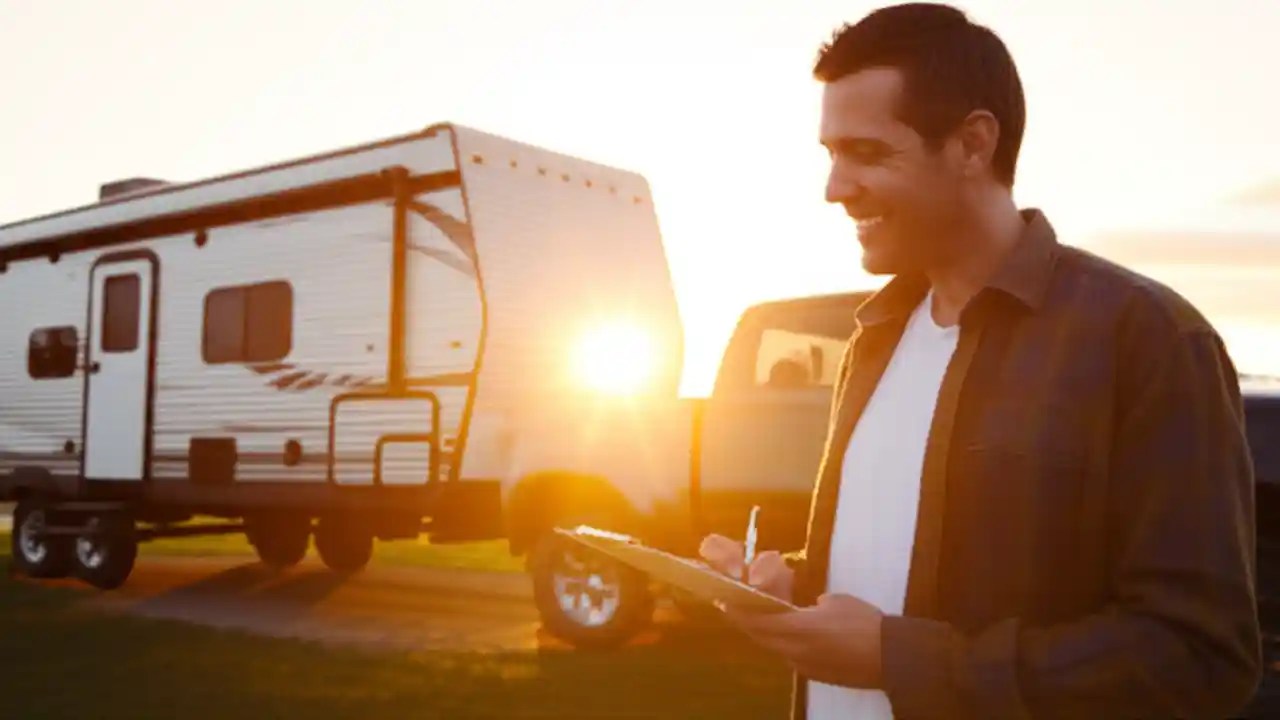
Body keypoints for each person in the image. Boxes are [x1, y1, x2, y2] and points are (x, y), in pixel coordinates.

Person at [699, 3, 1262, 718]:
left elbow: (1199, 656)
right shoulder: (872, 340)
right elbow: (898, 576)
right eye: (830, 154)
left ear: (973, 144)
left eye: (867, 153)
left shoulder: (1147, 340)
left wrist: (896, 658)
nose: (834, 189)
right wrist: (787, 591)